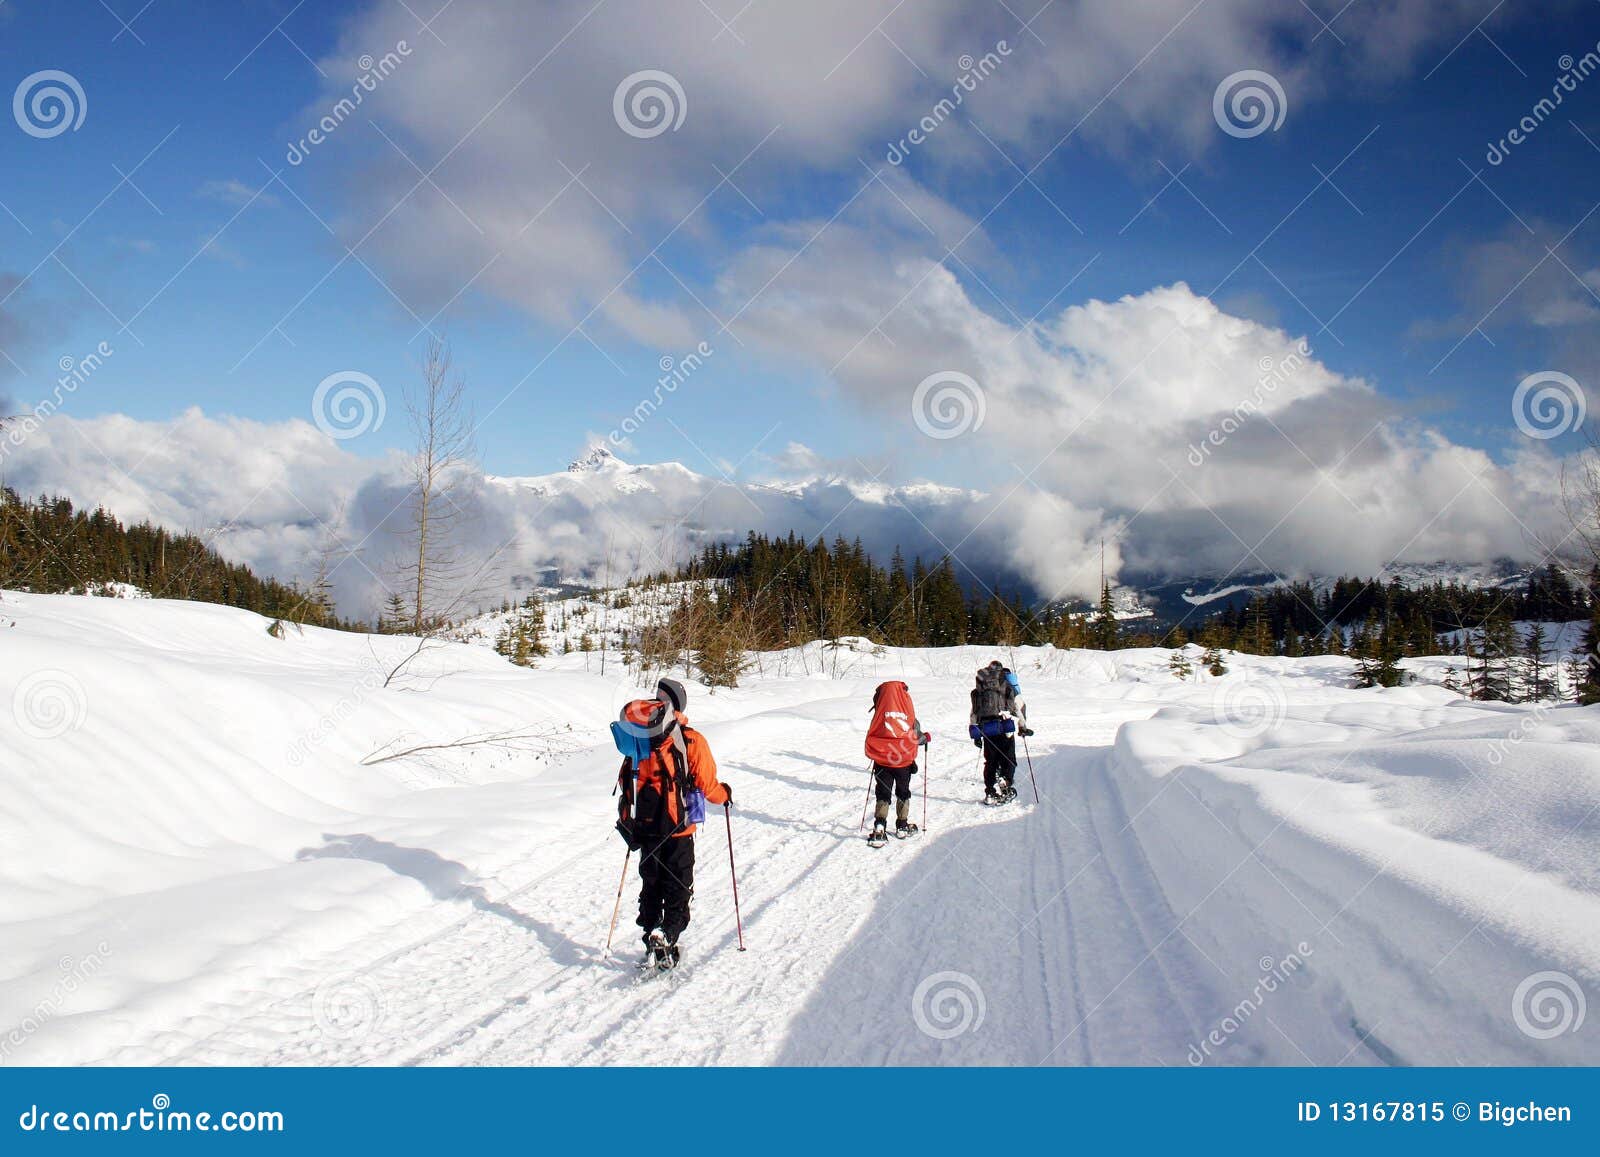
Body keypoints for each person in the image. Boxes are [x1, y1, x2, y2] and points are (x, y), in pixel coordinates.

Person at [614, 678, 731, 970]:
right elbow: (707, 784)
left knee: (651, 883)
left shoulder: (640, 736)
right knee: (678, 884)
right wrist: (724, 795)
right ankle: (668, 934)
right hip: (679, 828)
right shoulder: (691, 739)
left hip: (645, 826)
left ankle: (651, 934)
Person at [863, 680, 930, 848]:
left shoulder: (879, 713)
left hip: (882, 761)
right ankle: (902, 824)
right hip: (903, 761)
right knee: (903, 791)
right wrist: (925, 738)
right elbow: (917, 735)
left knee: (883, 792)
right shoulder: (908, 713)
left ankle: (879, 826)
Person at [969, 660, 1030, 804]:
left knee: (990, 761)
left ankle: (990, 791)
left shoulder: (979, 690)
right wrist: (1023, 726)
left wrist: (975, 733)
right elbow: (1017, 708)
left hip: (986, 728)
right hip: (1004, 726)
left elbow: (973, 713)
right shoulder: (1007, 686)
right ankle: (1006, 781)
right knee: (1008, 758)